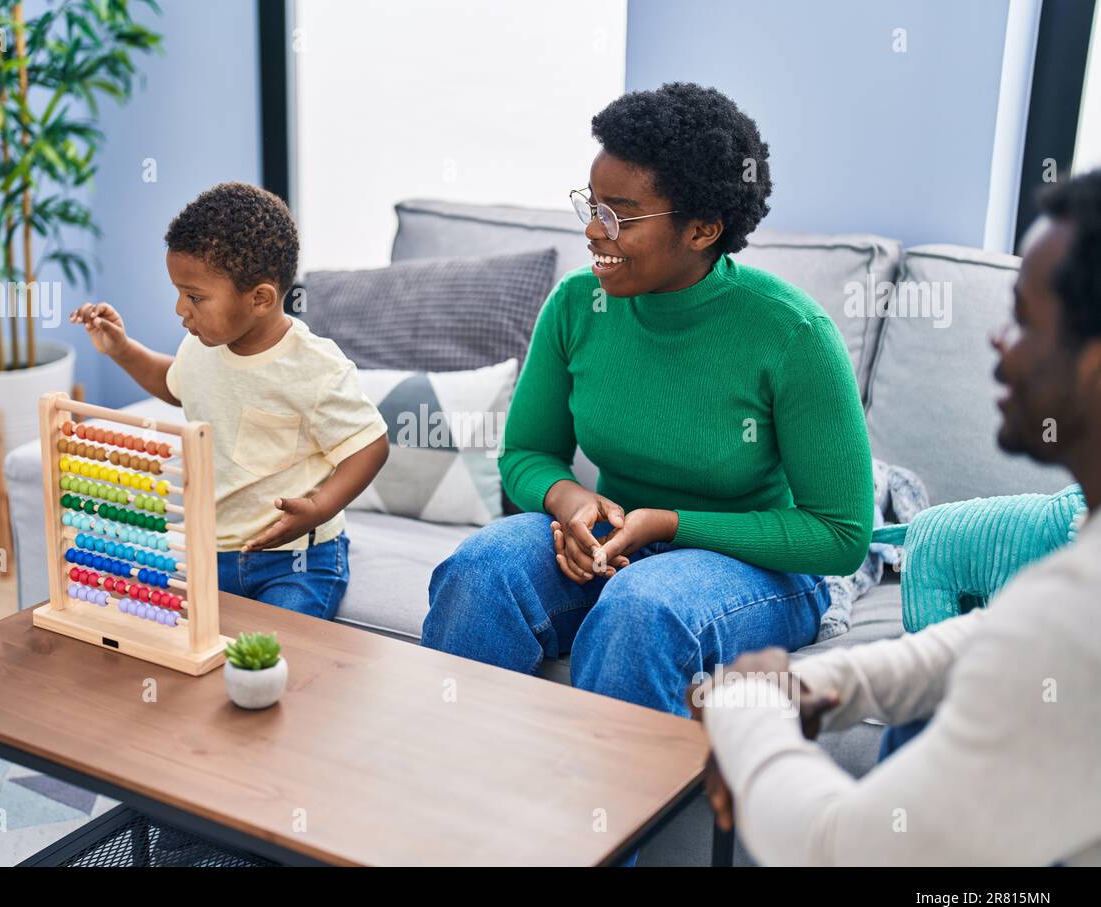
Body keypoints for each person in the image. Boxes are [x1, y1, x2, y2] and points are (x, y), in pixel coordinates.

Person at [421, 83, 873, 717]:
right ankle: (452, 788)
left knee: (642, 609)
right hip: (615, 541)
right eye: (592, 204)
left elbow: (841, 534)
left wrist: (670, 524)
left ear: (703, 229)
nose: (592, 229)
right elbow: (526, 452)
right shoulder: (579, 305)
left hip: (756, 563)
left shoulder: (792, 334)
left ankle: (603, 814)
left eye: (619, 215)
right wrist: (568, 498)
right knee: (481, 572)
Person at [693, 169, 1101, 865]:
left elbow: (836, 849)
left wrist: (746, 714)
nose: (998, 342)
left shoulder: (1074, 613)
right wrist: (830, 683)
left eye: (1024, 321)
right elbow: (1001, 636)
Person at [70, 182, 388, 620]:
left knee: (272, 650)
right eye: (179, 292)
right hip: (211, 549)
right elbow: (173, 383)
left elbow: (369, 445)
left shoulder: (314, 368)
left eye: (195, 296)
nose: (181, 309)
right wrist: (121, 348)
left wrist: (318, 508)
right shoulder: (199, 347)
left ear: (260, 299)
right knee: (185, 643)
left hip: (294, 561)